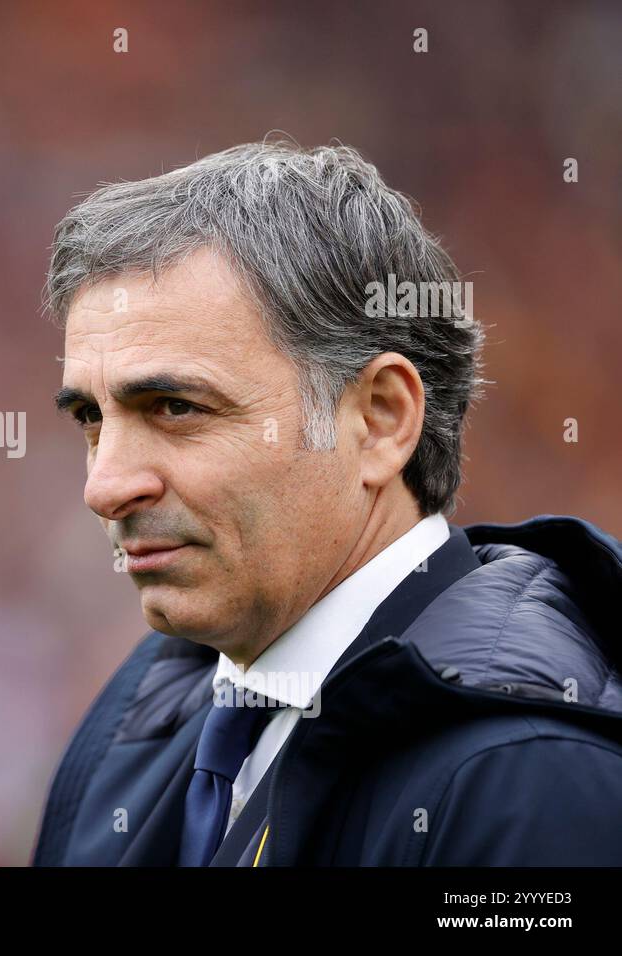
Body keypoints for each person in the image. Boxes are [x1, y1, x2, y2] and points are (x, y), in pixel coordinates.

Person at [31, 140, 622, 866]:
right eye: (91, 419)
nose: (105, 486)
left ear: (379, 419)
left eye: (175, 407)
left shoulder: (530, 778)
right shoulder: (131, 734)